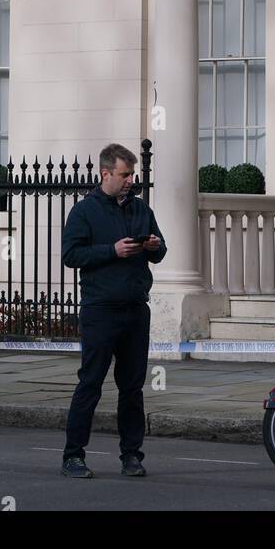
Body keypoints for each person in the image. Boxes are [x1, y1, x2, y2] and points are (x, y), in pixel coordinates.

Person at [61, 144, 167, 479]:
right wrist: (112, 251)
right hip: (100, 310)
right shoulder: (84, 212)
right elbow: (71, 255)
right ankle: (73, 457)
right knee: (90, 383)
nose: (130, 180)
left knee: (132, 388)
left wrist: (154, 246)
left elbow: (161, 251)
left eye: (132, 174)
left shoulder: (140, 209)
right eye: (124, 174)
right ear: (105, 173)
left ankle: (131, 456)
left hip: (136, 310)